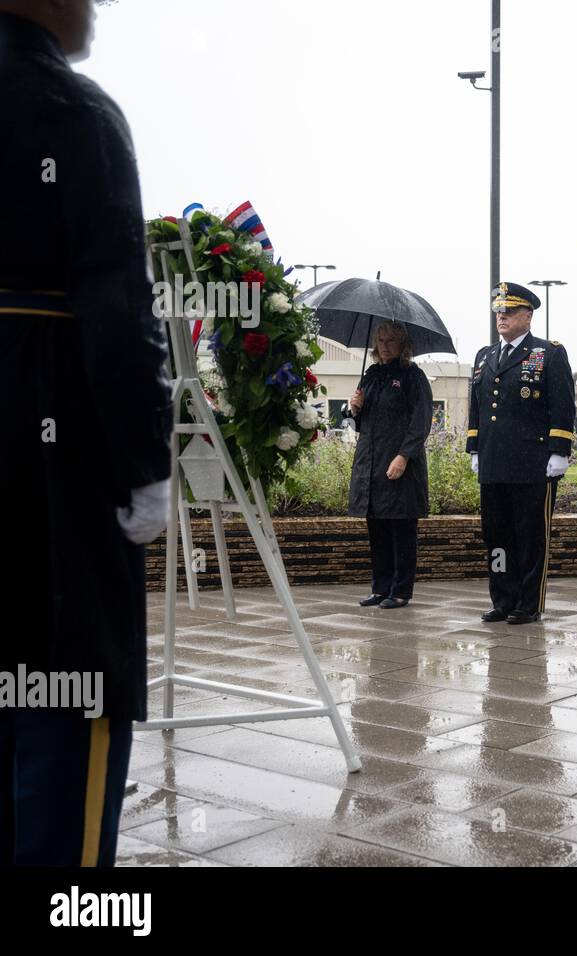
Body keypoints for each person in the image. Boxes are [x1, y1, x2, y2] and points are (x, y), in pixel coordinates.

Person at [1, 0, 172, 866]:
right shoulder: (74, 110)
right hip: (53, 451)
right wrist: (145, 462)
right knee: (69, 696)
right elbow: (115, 302)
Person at [466, 283, 576, 624]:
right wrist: (474, 447)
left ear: (528, 316)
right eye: (499, 310)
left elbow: (562, 405)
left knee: (530, 537)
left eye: (510, 311)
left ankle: (528, 604)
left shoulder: (548, 353)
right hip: (494, 462)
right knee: (497, 537)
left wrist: (559, 451)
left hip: (533, 465)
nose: (502, 316)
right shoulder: (485, 355)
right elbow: (477, 408)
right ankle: (503, 598)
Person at [347, 320, 433, 609]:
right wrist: (354, 408)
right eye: (380, 340)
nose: (384, 346)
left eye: (391, 341)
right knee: (378, 529)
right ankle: (380, 587)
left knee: (401, 529)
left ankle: (400, 590)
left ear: (403, 345)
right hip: (372, 464)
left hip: (400, 465)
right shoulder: (371, 375)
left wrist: (404, 456)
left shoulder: (412, 376)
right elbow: (357, 425)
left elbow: (420, 422)